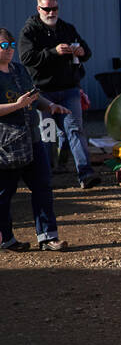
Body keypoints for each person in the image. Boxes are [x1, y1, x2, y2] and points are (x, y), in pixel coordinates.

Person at [18, 0, 99, 189]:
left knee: (75, 130)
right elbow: (26, 58)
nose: (51, 12)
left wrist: (81, 52)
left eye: (54, 8)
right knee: (47, 136)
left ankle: (85, 174)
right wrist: (54, 52)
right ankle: (44, 177)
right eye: (47, 9)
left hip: (69, 89)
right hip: (42, 92)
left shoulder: (67, 28)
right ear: (39, 9)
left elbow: (87, 51)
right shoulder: (30, 31)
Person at [0, 28, 69, 251]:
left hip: (32, 138)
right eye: (3, 46)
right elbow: (19, 103)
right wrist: (17, 106)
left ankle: (48, 236)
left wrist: (49, 105)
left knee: (42, 186)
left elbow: (33, 96)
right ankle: (6, 239)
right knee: (4, 193)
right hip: (6, 144)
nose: (9, 50)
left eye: (10, 45)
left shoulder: (19, 70)